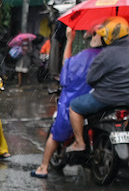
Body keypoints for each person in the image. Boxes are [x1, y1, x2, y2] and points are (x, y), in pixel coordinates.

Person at [67, 16, 129, 154]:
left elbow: (91, 79)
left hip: (105, 99)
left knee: (74, 106)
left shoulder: (106, 54)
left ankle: (79, 142)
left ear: (111, 35)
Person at [32, 26, 100, 178]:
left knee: (56, 134)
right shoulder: (110, 56)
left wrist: (69, 40)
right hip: (101, 100)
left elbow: (66, 68)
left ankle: (43, 167)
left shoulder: (85, 57)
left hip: (74, 99)